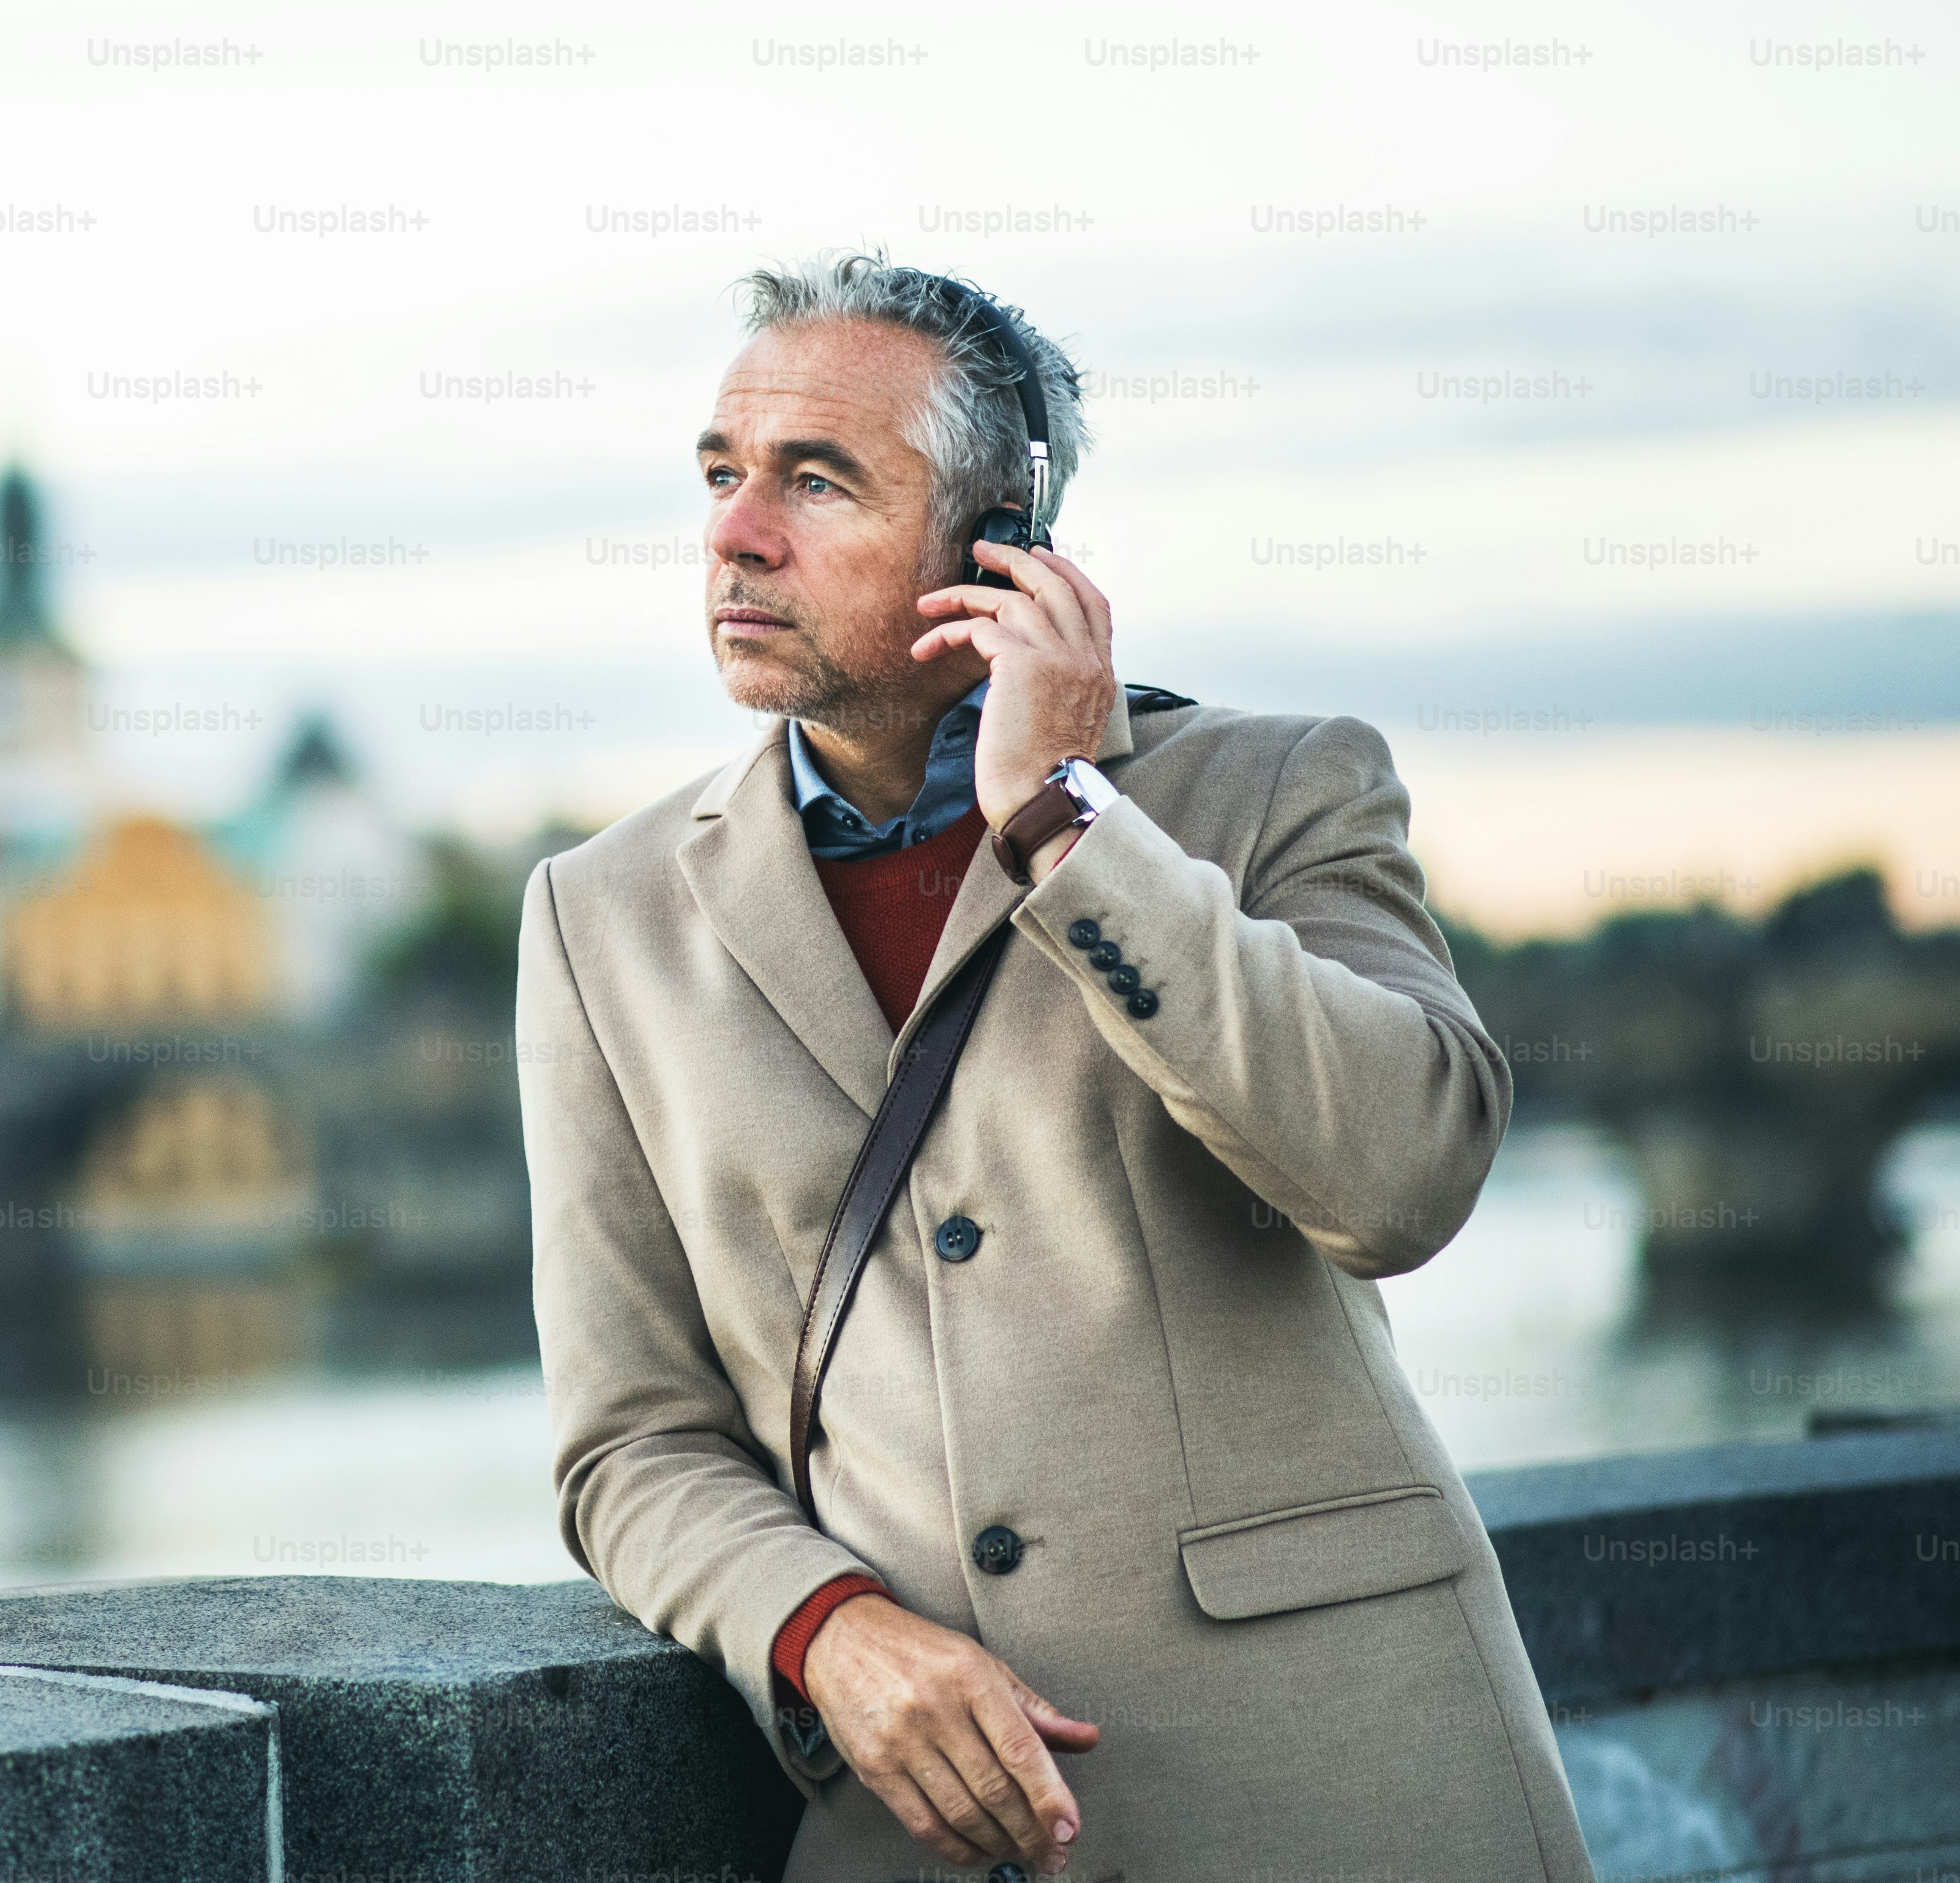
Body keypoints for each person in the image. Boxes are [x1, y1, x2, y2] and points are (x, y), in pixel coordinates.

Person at [516, 251, 1593, 1880]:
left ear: (996, 544)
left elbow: (1402, 1176)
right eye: (725, 476)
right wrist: (823, 1626)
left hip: (1348, 1783)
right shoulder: (600, 916)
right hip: (919, 1825)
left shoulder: (1272, 788)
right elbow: (628, 1441)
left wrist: (1067, 819)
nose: (738, 532)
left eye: (817, 482)